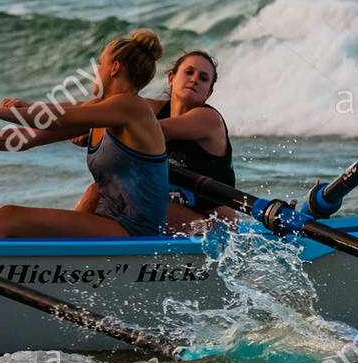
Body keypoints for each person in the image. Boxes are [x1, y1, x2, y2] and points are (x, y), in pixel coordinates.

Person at [0, 30, 168, 238]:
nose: (97, 71)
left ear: (115, 68)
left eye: (100, 64)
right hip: (109, 221)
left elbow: (57, 119)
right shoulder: (100, 110)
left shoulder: (132, 107)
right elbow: (23, 139)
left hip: (135, 231)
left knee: (9, 217)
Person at [75, 50, 237, 232]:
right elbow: (107, 109)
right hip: (173, 211)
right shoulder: (149, 108)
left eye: (204, 78)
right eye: (189, 72)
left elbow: (156, 131)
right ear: (171, 79)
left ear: (209, 93)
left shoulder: (209, 120)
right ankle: (66, 244)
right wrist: (79, 124)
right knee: (96, 190)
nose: (194, 79)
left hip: (215, 227)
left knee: (133, 200)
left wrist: (100, 133)